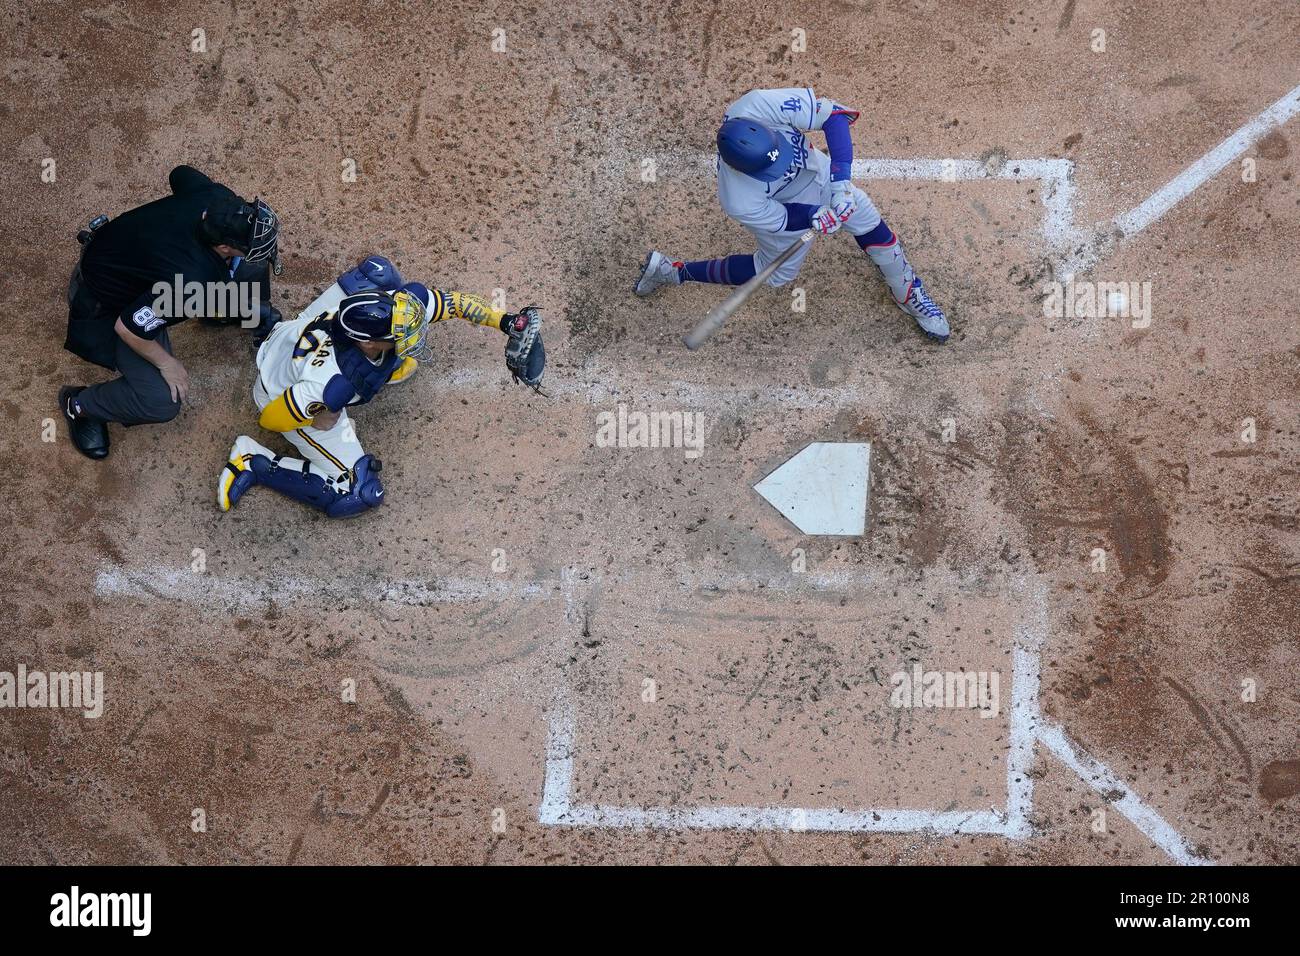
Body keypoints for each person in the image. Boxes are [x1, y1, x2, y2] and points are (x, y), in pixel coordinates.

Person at [217, 256, 545, 518]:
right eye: (402, 336)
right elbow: (271, 419)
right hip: (279, 390)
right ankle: (254, 461)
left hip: (295, 333)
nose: (415, 336)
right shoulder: (332, 383)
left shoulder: (393, 307)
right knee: (359, 494)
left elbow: (453, 304)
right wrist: (319, 419)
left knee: (379, 271)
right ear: (370, 343)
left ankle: (380, 363)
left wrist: (506, 322)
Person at [634, 87, 950, 342]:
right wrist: (815, 216)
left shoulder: (758, 105)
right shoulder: (739, 199)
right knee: (773, 274)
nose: (783, 165)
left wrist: (840, 183)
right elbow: (785, 219)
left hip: (824, 176)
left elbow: (835, 116)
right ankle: (674, 271)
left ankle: (907, 292)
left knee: (871, 225)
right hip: (789, 210)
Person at [60, 165, 281, 459]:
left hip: (128, 256)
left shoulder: (216, 199)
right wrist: (167, 364)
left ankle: (229, 310)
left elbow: (180, 173)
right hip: (106, 301)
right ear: (224, 245)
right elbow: (129, 328)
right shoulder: (191, 284)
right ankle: (80, 406)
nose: (265, 248)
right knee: (161, 400)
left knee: (251, 268)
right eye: (248, 244)